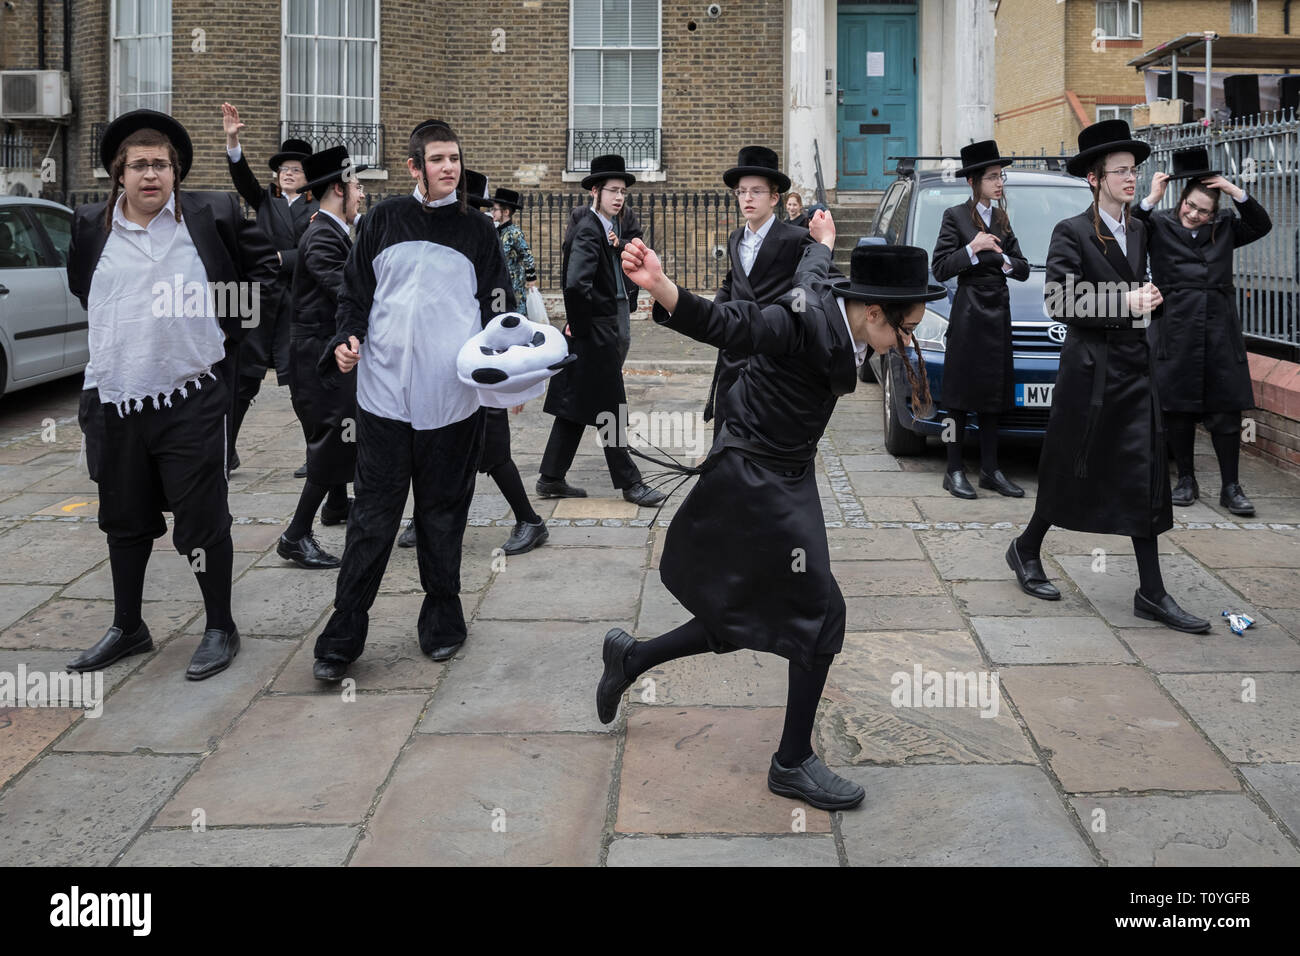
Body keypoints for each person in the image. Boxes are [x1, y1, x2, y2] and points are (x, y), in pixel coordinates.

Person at [604, 214, 944, 810]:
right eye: (905, 329)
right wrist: (663, 289)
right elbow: (733, 323)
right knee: (821, 613)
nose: (906, 341)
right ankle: (791, 763)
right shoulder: (803, 320)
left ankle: (632, 657)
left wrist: (822, 241)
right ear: (871, 314)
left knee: (741, 608)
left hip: (787, 470)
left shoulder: (823, 288)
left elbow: (814, 265)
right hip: (753, 478)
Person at [67, 109, 277, 679]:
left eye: (161, 164)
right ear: (119, 173)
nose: (151, 175)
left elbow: (265, 271)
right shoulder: (91, 225)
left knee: (202, 520)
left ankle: (218, 625)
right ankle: (128, 625)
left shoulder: (211, 216)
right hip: (115, 398)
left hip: (193, 396)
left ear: (176, 172)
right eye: (139, 165)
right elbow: (85, 289)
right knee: (123, 518)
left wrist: (232, 335)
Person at [310, 120, 513, 682]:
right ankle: (342, 634)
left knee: (442, 516)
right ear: (414, 166)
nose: (449, 168)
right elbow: (354, 294)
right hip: (383, 402)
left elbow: (499, 306)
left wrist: (508, 372)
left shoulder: (479, 231)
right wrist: (347, 340)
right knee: (372, 520)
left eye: (455, 158)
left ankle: (443, 620)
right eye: (438, 158)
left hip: (452, 403)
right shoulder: (381, 220)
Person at [1006, 119, 1210, 634]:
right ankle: (1026, 547)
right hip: (1089, 377)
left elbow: (1142, 294)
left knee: (1144, 476)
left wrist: (1151, 304)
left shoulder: (1140, 228)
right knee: (1069, 469)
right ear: (1094, 179)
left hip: (1136, 374)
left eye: (1133, 170)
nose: (1130, 179)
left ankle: (1151, 592)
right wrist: (1126, 301)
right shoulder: (1070, 231)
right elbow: (1058, 299)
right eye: (1119, 171)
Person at [1133, 147, 1272, 517]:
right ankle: (1186, 481)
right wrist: (1151, 198)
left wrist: (1233, 190)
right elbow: (1129, 229)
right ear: (1181, 200)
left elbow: (1262, 224)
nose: (1194, 215)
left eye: (1203, 211)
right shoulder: (1158, 223)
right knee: (1177, 408)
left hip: (1218, 327)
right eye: (1189, 206)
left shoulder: (1226, 226)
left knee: (1226, 409)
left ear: (1214, 212)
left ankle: (1231, 487)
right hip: (1175, 326)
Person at [538, 154, 665, 506]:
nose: (619, 197)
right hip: (595, 331)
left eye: (623, 191)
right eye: (612, 190)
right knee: (612, 407)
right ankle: (631, 483)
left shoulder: (606, 227)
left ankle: (550, 477)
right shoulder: (589, 229)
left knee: (576, 403)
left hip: (595, 328)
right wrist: (580, 329)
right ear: (595, 191)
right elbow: (576, 285)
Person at [277, 146, 367, 569]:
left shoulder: (331, 231)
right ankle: (295, 534)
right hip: (318, 361)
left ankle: (336, 507)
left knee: (340, 432)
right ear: (337, 188)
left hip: (325, 355)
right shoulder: (322, 237)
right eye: (356, 185)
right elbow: (347, 294)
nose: (362, 194)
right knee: (330, 441)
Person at [930, 140, 1031, 499]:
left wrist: (1002, 258)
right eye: (991, 177)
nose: (999, 182)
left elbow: (1022, 268)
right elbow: (940, 266)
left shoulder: (1002, 218)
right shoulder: (954, 216)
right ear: (974, 181)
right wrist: (973, 249)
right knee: (957, 396)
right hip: (969, 309)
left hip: (998, 311)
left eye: (1000, 176)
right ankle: (954, 468)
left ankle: (991, 470)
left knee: (994, 394)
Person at [220, 103, 317, 474]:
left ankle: (316, 454)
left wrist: (282, 258)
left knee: (300, 385)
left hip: (296, 303)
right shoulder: (264, 200)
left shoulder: (316, 207)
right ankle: (226, 451)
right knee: (243, 382)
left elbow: (313, 250)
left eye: (295, 169)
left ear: (307, 176)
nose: (287, 174)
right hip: (258, 303)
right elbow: (241, 177)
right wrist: (233, 140)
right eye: (283, 169)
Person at [706, 145, 815, 439]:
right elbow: (733, 280)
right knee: (725, 443)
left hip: (772, 359)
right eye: (741, 192)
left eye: (756, 191)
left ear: (775, 197)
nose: (747, 198)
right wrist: (718, 314)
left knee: (766, 444)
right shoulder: (735, 238)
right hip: (734, 354)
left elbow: (813, 285)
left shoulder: (796, 238)